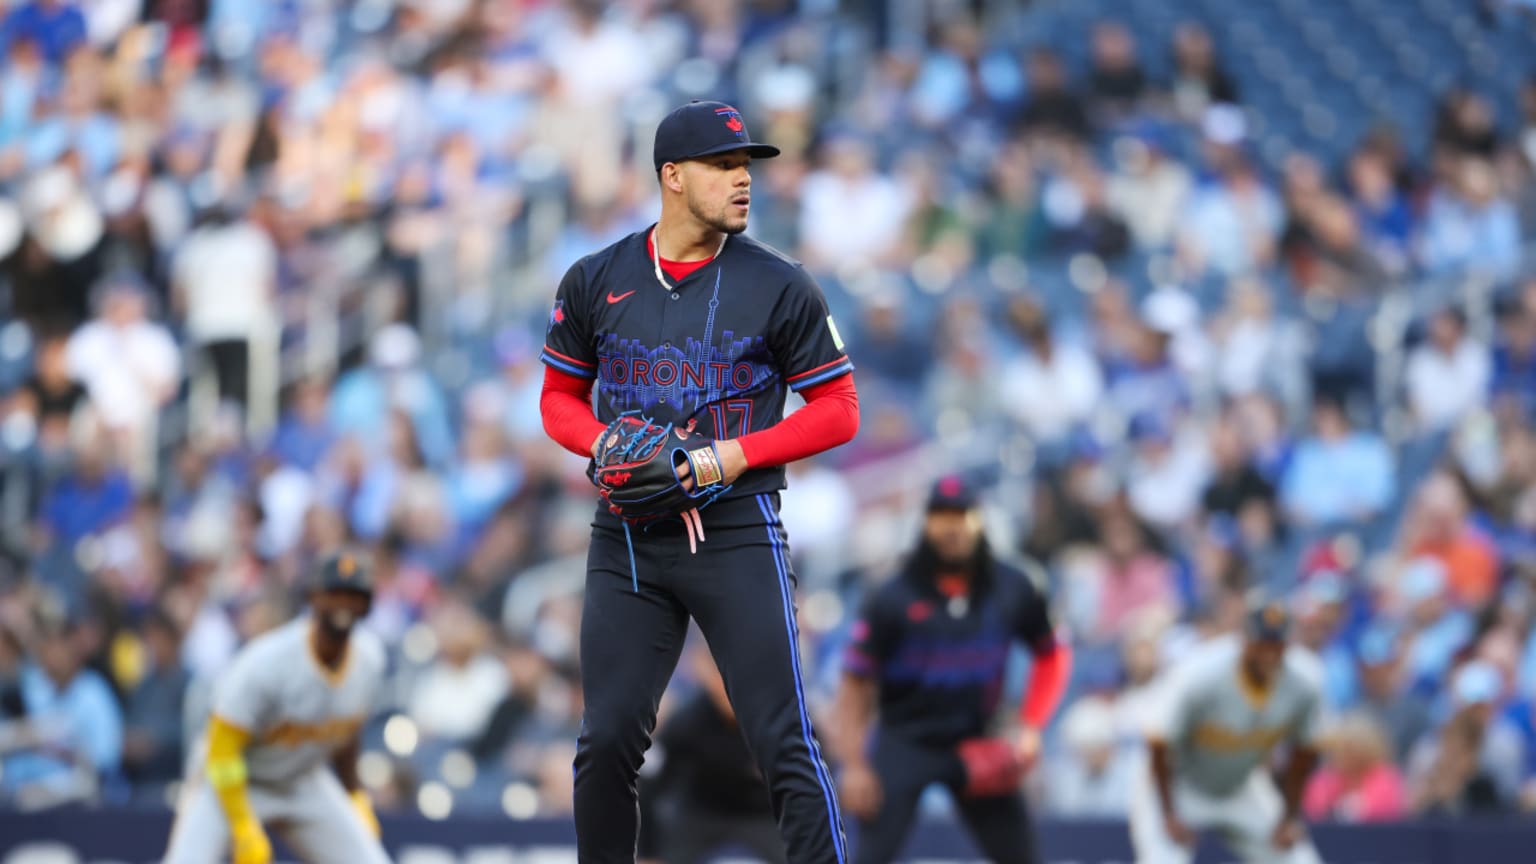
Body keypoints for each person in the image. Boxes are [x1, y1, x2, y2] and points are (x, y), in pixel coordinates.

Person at [537, 100, 859, 863]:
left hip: (736, 530)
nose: (742, 181)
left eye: (746, 166)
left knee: (782, 739)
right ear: (672, 176)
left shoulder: (780, 284)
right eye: (724, 166)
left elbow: (840, 409)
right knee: (606, 739)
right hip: (629, 537)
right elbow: (557, 399)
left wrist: (731, 456)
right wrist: (603, 439)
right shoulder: (596, 277)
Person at [832, 477, 1072, 863]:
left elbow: (1052, 654)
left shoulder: (1013, 585)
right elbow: (855, 682)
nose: (952, 527)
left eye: (961, 514)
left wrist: (1031, 724)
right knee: (868, 858)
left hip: (977, 741)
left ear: (980, 519)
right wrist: (855, 765)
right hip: (904, 741)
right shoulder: (893, 594)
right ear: (925, 522)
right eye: (941, 515)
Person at [162, 553, 389, 864]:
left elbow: (347, 733)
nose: (344, 604)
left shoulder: (370, 659)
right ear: (313, 597)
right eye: (335, 593)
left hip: (301, 779)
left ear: (368, 604)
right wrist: (243, 825)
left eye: (354, 596)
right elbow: (222, 752)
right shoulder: (267, 663)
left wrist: (355, 796)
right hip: (232, 782)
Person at [1131, 600, 1324, 864]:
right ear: (1243, 639)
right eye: (1262, 643)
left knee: (1300, 860)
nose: (1268, 653)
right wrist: (1168, 813)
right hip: (1179, 784)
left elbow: (1305, 750)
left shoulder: (1304, 678)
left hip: (1241, 785)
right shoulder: (1200, 672)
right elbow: (1158, 740)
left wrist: (1289, 817)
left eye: (1276, 645)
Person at [638, 641, 785, 864]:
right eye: (718, 673)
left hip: (764, 816)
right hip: (700, 813)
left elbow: (814, 783)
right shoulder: (684, 724)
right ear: (705, 673)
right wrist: (647, 853)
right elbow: (649, 785)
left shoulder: (780, 722)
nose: (727, 684)